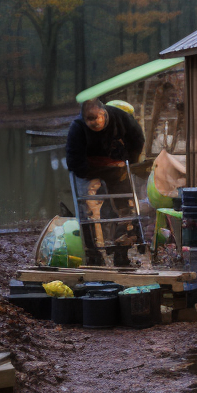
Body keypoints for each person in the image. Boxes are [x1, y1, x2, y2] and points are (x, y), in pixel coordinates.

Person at [66, 99, 145, 267]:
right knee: (88, 211)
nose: (93, 122)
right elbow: (73, 162)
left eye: (96, 117)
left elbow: (137, 138)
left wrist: (129, 159)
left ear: (104, 113)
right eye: (89, 119)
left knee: (127, 207)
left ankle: (121, 253)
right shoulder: (77, 128)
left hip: (116, 165)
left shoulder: (120, 118)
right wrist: (94, 169)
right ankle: (95, 255)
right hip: (88, 168)